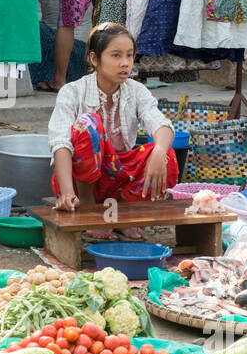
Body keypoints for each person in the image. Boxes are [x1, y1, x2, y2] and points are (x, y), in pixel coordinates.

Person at [47, 24, 178, 239]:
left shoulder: (136, 90)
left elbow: (160, 123)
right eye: (115, 55)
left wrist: (159, 151)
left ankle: (125, 213)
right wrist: (67, 193)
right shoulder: (72, 92)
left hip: (118, 179)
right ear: (94, 59)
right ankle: (90, 211)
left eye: (129, 55)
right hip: (79, 185)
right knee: (89, 123)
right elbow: (60, 143)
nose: (125, 63)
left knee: (167, 155)